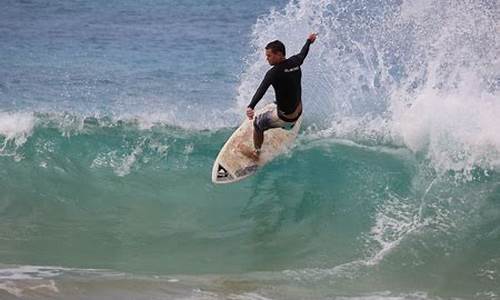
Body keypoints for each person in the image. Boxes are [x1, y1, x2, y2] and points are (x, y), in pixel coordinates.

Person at [240, 33, 317, 160]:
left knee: (257, 124)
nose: (267, 59)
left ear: (279, 54)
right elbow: (303, 52)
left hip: (286, 118)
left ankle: (256, 153)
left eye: (269, 55)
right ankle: (287, 119)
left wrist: (251, 106)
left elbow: (261, 90)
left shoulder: (273, 73)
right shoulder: (296, 61)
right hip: (298, 110)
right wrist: (309, 41)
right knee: (281, 96)